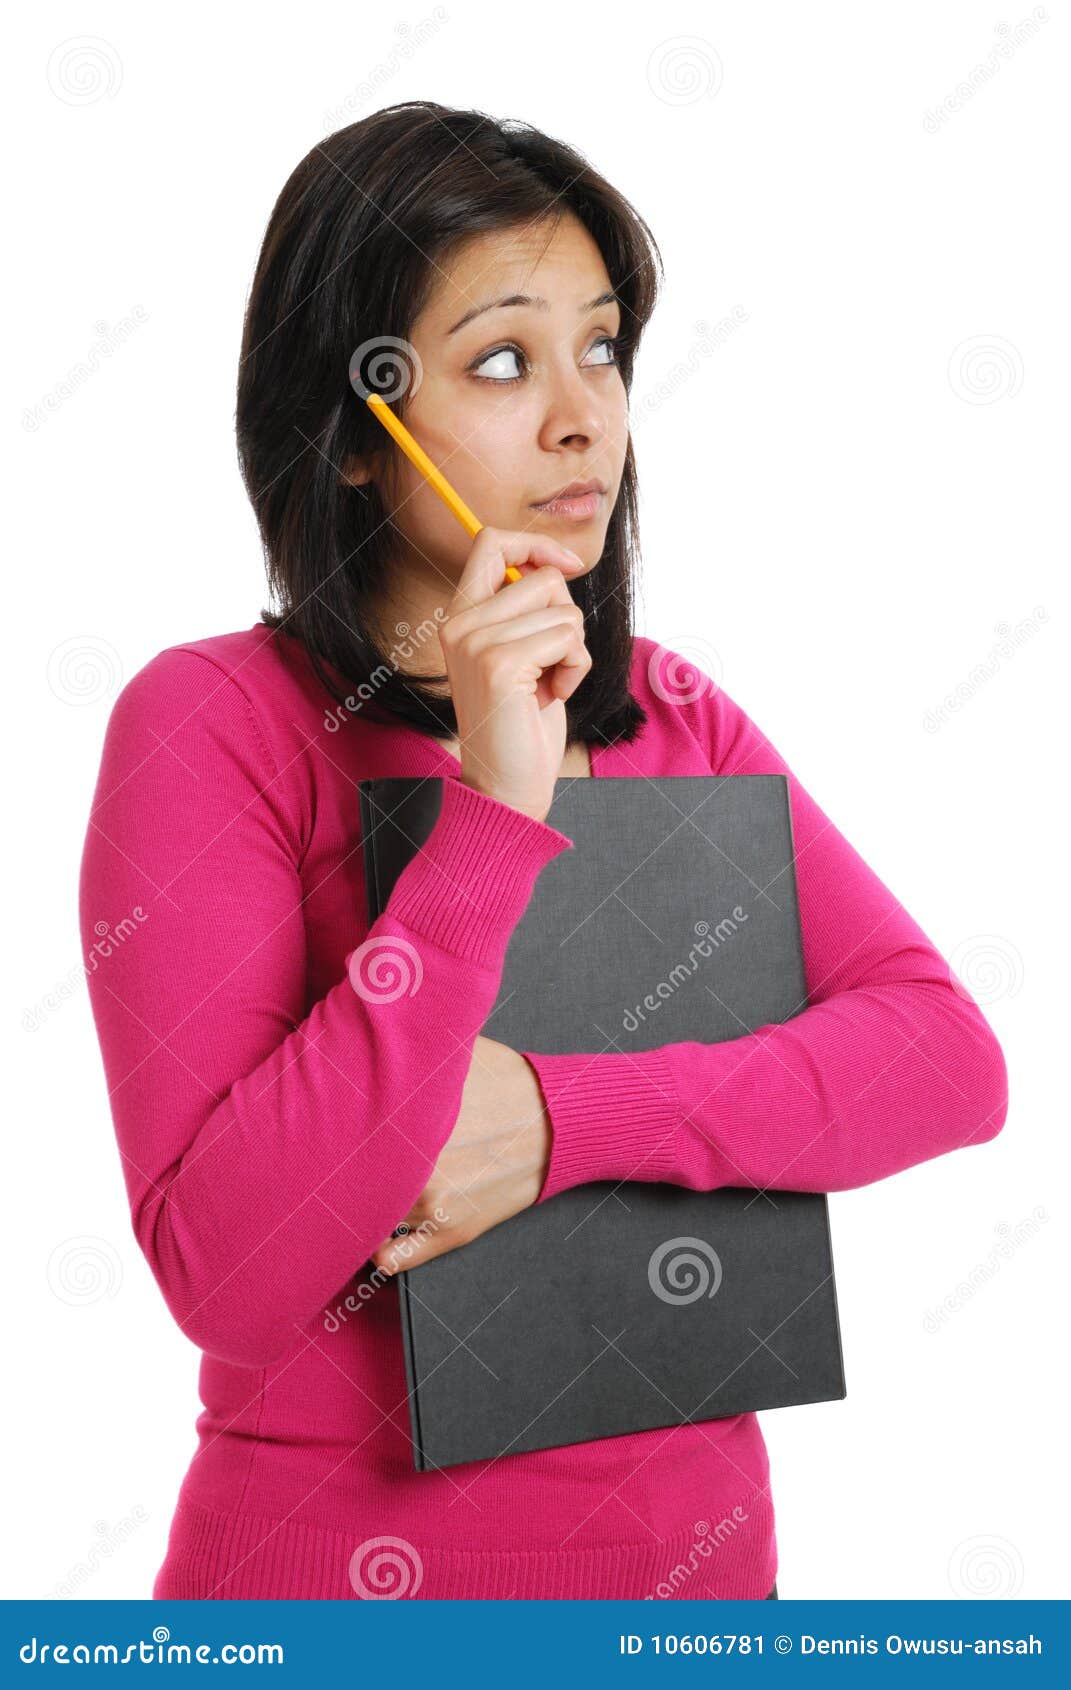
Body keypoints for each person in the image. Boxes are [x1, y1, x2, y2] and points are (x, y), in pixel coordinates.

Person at [78, 102, 1008, 1602]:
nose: (583, 415)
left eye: (605, 347)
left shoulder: (676, 712)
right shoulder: (216, 725)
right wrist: (494, 822)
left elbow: (950, 1063)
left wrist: (567, 1117)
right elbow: (234, 1278)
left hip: (694, 1604)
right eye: (504, 360)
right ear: (359, 436)